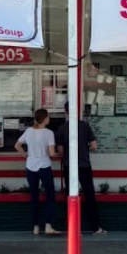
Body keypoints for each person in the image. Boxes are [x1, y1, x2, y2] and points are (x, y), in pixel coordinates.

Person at [56, 101, 106, 234]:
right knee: (89, 196)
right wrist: (84, 148)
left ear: (65, 111)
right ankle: (95, 227)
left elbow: (60, 151)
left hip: (68, 166)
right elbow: (94, 146)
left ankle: (73, 228)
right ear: (77, 111)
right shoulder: (85, 126)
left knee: (70, 196)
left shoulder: (61, 128)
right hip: (84, 165)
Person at [15, 108, 60, 236]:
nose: (49, 118)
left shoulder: (28, 131)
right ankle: (48, 226)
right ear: (44, 118)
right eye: (48, 116)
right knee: (50, 196)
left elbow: (17, 145)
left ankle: (35, 227)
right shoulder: (49, 133)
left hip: (30, 166)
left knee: (34, 196)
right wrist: (57, 153)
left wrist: (25, 155)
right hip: (44, 166)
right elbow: (52, 153)